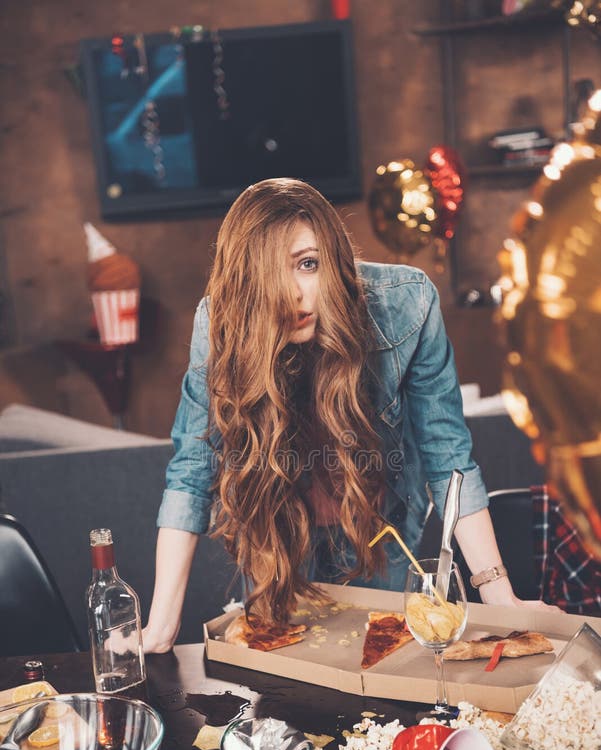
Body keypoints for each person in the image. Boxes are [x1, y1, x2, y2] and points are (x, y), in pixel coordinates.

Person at [143, 177, 549, 654]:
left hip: (379, 526)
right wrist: (161, 627)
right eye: (272, 272)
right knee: (289, 680)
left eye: (308, 264)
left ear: (332, 258)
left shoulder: (407, 303)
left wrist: (497, 593)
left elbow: (449, 456)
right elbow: (191, 471)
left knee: (382, 668)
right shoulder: (219, 323)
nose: (295, 294)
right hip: (280, 531)